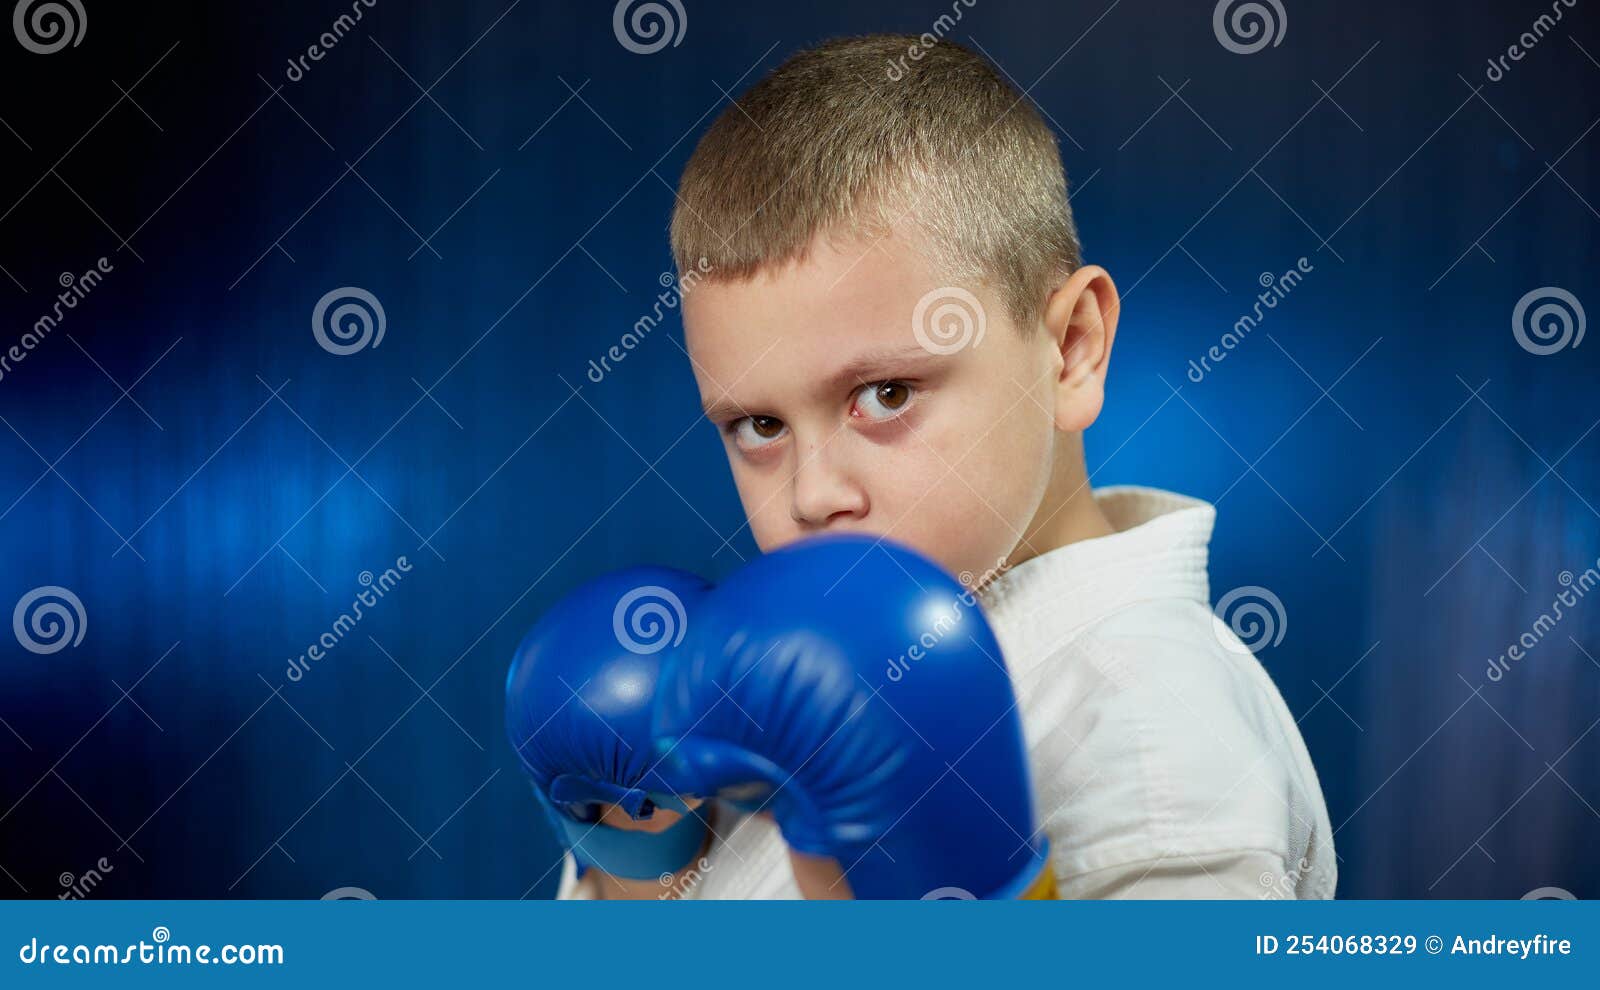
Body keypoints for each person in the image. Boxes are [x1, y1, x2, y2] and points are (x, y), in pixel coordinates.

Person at [559, 33, 1335, 899]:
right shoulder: (793, 670)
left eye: (887, 393)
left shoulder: (1159, 734)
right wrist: (640, 849)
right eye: (758, 423)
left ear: (1072, 350)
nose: (814, 496)